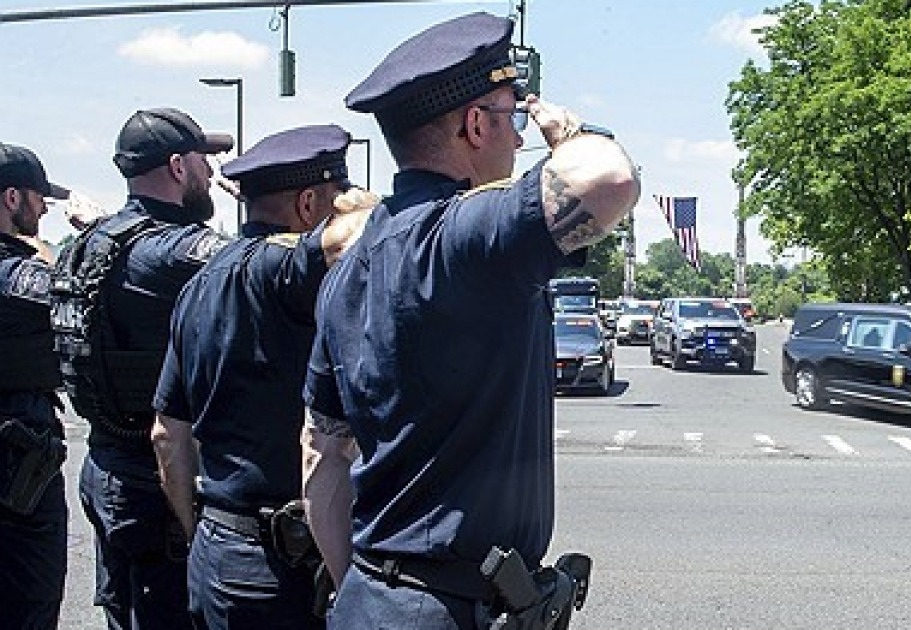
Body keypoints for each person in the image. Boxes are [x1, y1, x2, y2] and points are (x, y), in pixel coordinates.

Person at [300, 12, 640, 629]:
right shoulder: (466, 236)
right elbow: (611, 178)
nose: (519, 139)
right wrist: (572, 134)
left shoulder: (350, 268)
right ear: (475, 124)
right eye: (511, 118)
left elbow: (321, 458)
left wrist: (374, 597)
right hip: (451, 612)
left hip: (373, 599)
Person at [151, 124, 373, 630]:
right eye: (334, 198)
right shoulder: (281, 270)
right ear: (309, 204)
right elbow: (357, 238)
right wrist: (368, 203)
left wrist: (198, 533)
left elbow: (167, 436)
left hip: (216, 550)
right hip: (288, 568)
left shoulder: (196, 288)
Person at [51, 107, 235, 630]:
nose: (213, 174)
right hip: (159, 478)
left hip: (106, 466)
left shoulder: (88, 246)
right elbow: (260, 262)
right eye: (206, 161)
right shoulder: (173, 252)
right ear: (179, 167)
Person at [0, 142, 75, 630]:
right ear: (11, 199)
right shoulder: (15, 273)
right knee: (29, 604)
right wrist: (93, 234)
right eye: (39, 196)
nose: (45, 207)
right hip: (15, 473)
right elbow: (79, 289)